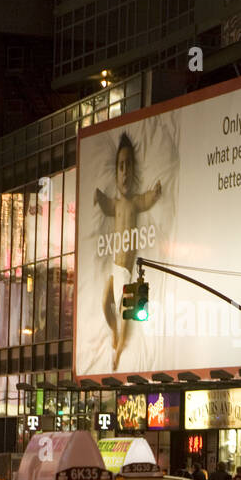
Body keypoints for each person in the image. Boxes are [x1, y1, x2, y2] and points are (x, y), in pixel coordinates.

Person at [94, 132, 162, 370]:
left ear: (133, 172)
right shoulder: (116, 203)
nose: (125, 172)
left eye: (128, 166)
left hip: (128, 268)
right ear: (115, 172)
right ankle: (112, 331)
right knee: (105, 301)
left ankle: (118, 351)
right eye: (120, 166)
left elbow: (146, 201)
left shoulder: (133, 202)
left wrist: (154, 194)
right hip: (115, 266)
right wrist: (99, 197)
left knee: (125, 312)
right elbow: (105, 205)